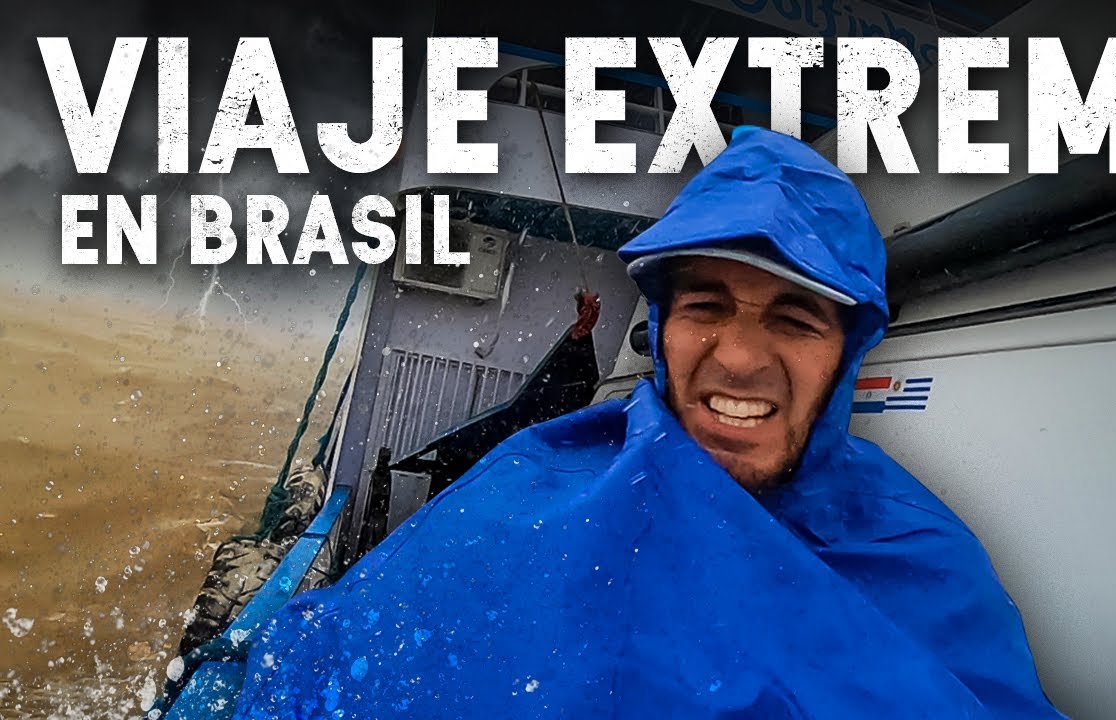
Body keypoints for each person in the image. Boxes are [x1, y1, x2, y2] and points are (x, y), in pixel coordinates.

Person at [232, 127, 1065, 718]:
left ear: (846, 354)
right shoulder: (534, 482)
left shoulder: (922, 564)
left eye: (795, 318)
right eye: (706, 305)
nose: (739, 359)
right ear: (660, 333)